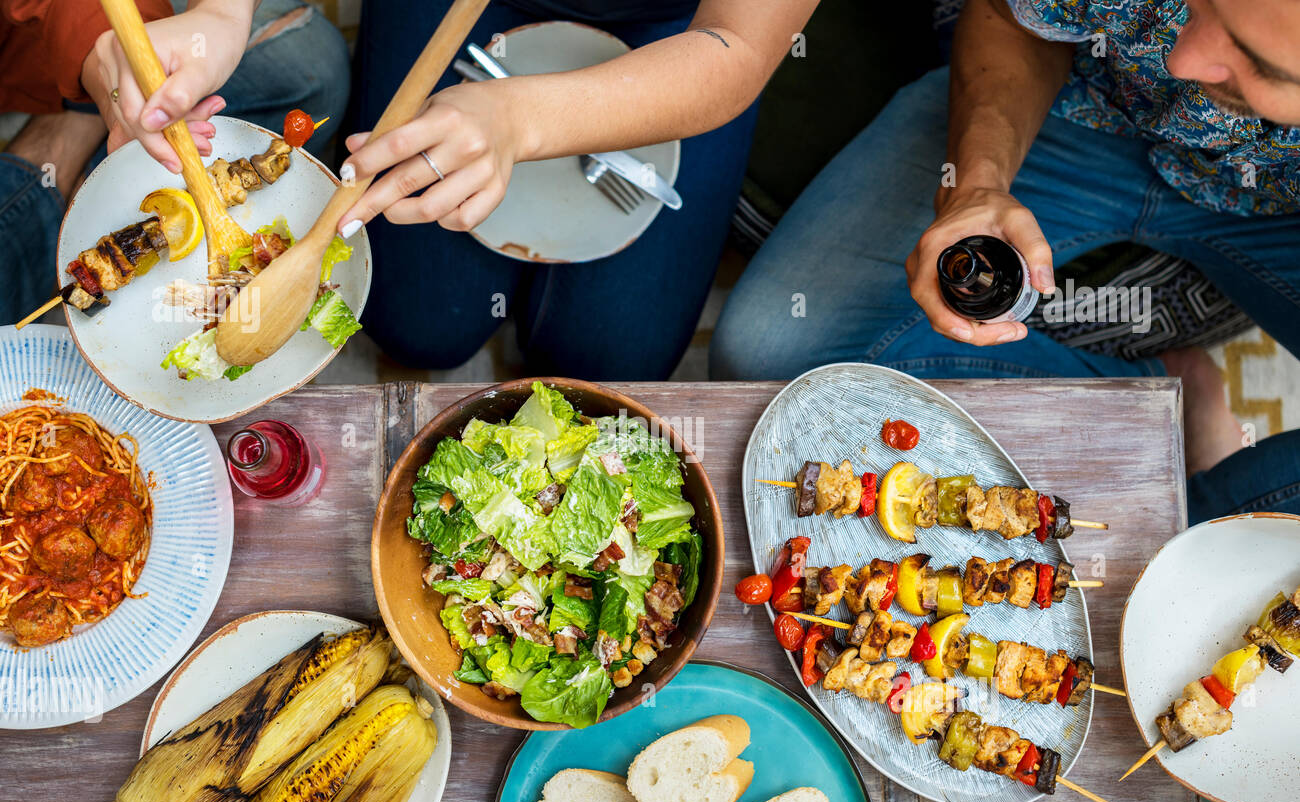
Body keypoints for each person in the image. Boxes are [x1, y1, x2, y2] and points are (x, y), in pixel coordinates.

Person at [712, 0, 1300, 525]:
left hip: (1280, 206)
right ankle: (1155, 399)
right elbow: (1008, 16)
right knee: (767, 355)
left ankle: (1192, 532)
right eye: (1199, 8)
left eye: (1259, 62)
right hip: (1080, 111)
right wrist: (977, 180)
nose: (1183, 60)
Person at [339, 0, 818, 380]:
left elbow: (741, 43)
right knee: (420, 329)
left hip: (686, 33)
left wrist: (518, 118)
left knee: (610, 365)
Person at [2, 0, 349, 326]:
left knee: (312, 67)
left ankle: (87, 122)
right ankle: (80, 131)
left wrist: (222, 13)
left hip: (38, 42)